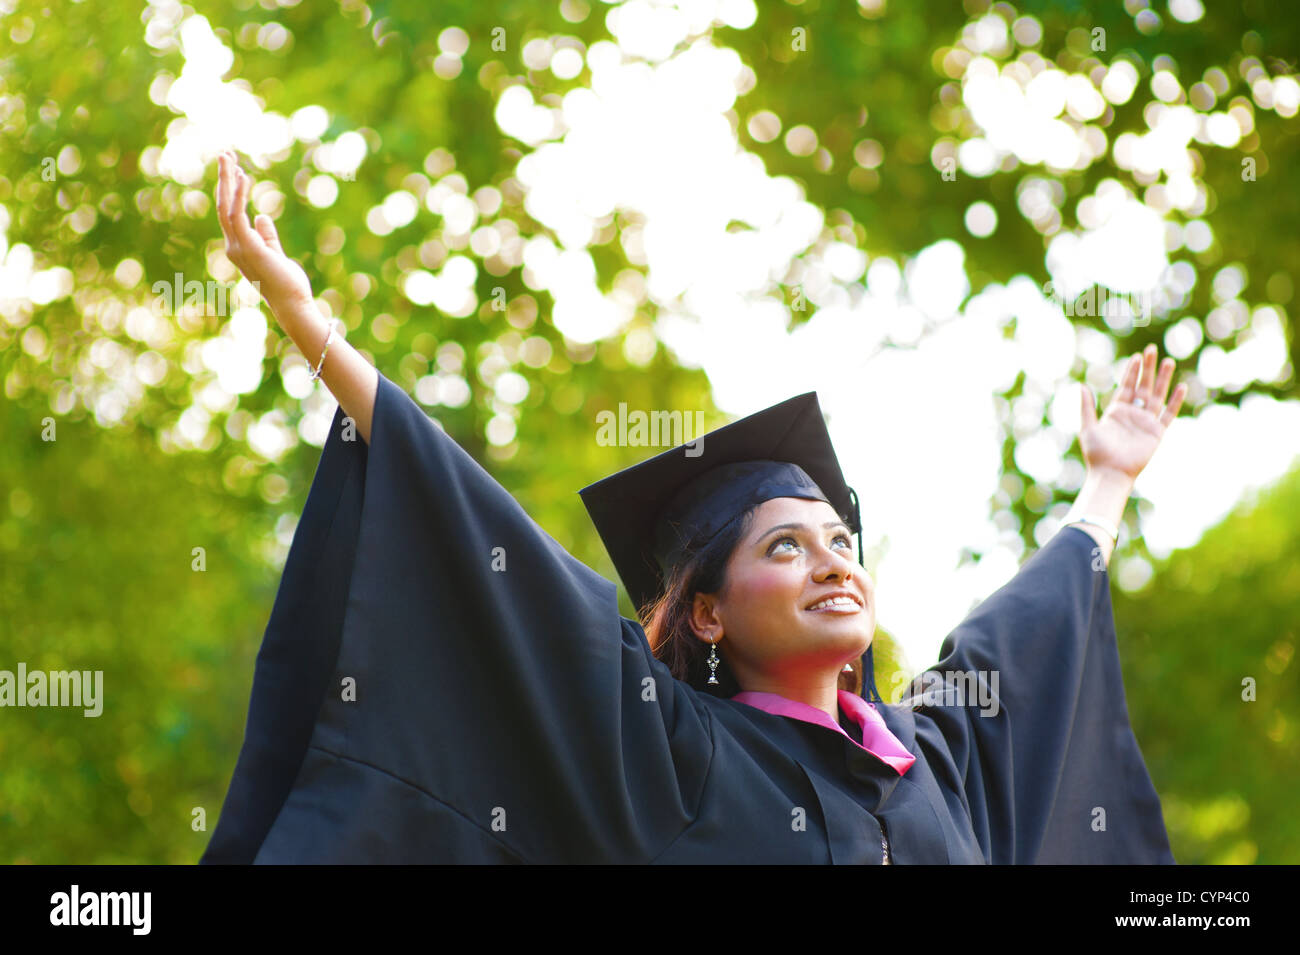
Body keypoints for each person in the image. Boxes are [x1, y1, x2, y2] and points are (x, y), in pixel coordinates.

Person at [203, 151, 1183, 863]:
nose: (835, 562)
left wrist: (1107, 480)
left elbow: (1028, 641)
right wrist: (306, 318)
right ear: (706, 611)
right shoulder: (677, 752)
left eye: (840, 541)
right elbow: (503, 565)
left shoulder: (935, 757)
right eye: (788, 547)